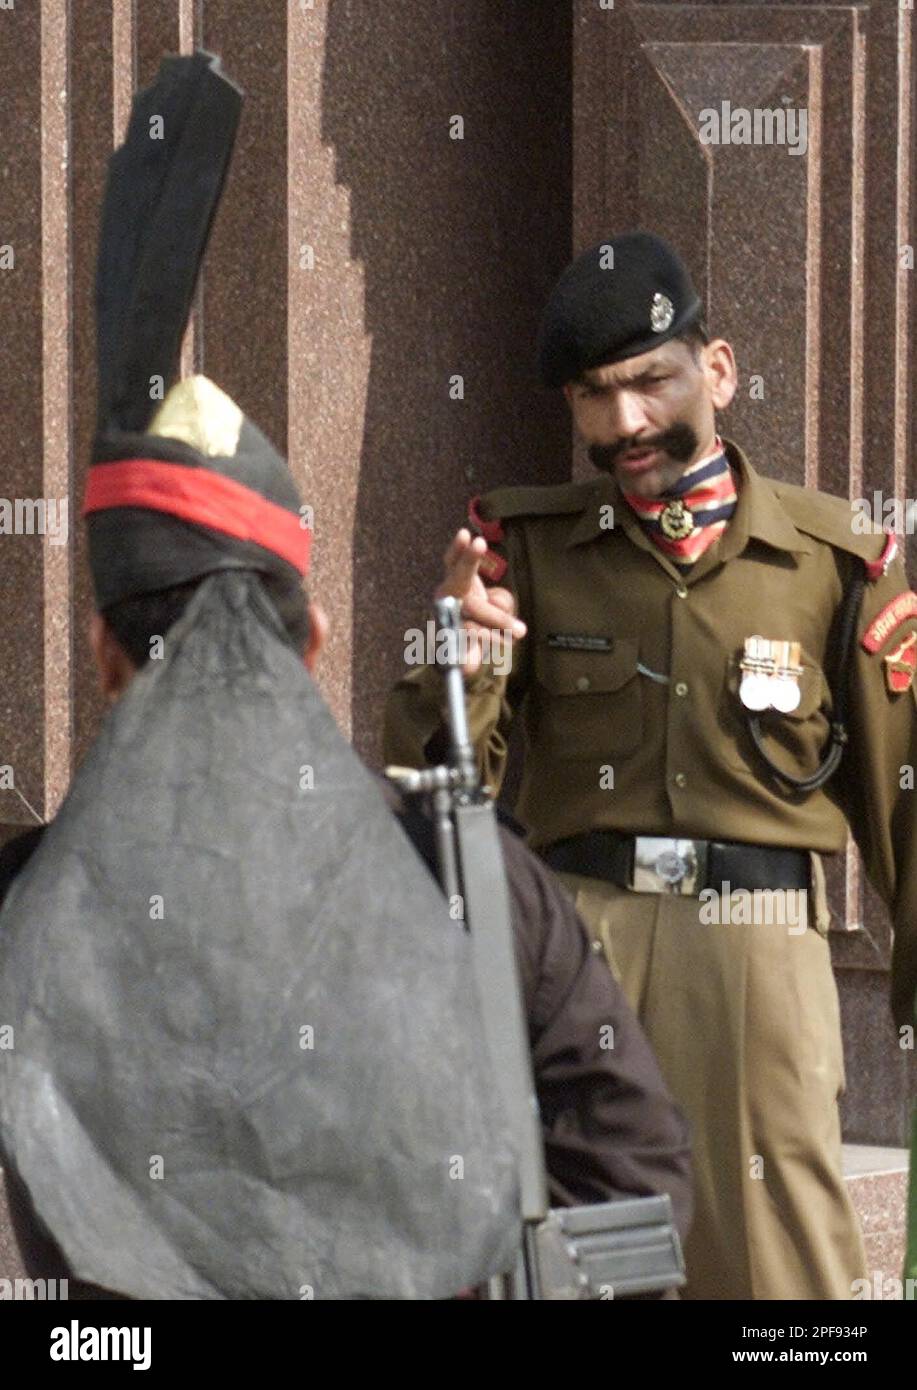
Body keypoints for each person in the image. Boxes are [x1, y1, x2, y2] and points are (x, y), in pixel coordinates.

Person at [0, 60, 691, 1301]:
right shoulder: (468, 875)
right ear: (313, 632)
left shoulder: (28, 908)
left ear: (104, 657)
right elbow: (631, 1160)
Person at [384, 229, 917, 1301]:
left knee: (782, 1269)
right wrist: (462, 651)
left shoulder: (834, 562)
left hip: (757, 952)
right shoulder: (518, 551)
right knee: (566, 1259)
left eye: (648, 382)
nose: (624, 422)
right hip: (575, 945)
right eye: (593, 394)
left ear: (713, 371)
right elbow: (435, 790)